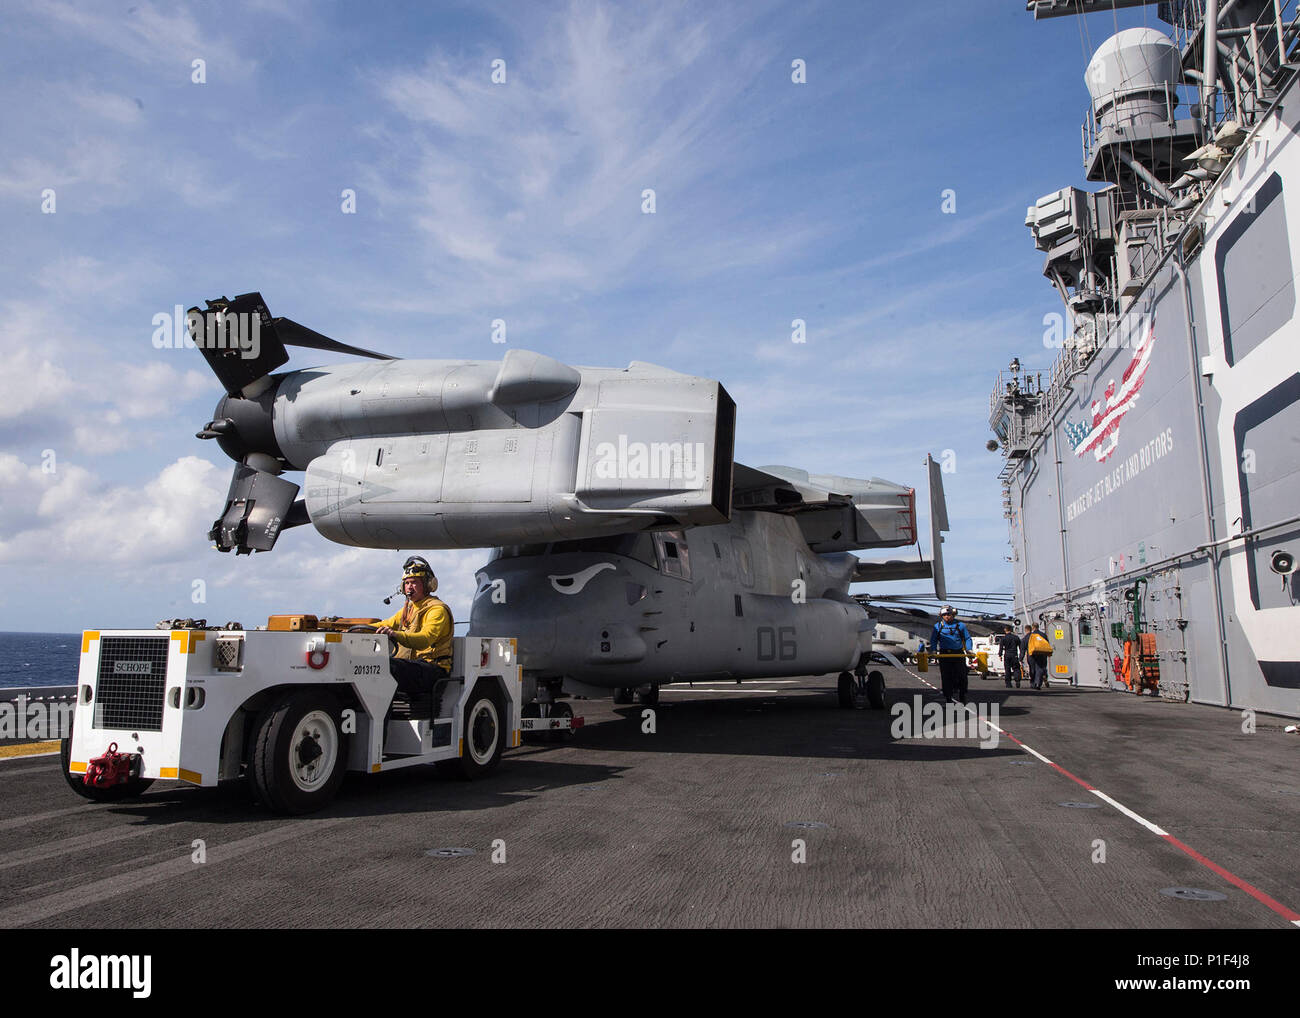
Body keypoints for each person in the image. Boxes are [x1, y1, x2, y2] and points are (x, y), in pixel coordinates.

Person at [375, 556, 454, 700]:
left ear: (428, 585)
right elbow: (383, 624)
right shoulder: (408, 609)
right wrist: (352, 628)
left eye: (414, 583)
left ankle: (378, 723)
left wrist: (395, 634)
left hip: (433, 669)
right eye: (406, 583)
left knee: (387, 667)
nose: (409, 587)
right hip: (414, 667)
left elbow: (425, 639)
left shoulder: (436, 609)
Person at [929, 605, 974, 703]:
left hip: (958, 654)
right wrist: (933, 650)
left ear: (953, 615)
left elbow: (967, 638)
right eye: (944, 615)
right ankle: (948, 697)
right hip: (944, 654)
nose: (947, 617)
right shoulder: (938, 626)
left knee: (962, 675)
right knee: (946, 676)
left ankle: (962, 695)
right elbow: (933, 639)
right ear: (941, 616)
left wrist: (969, 650)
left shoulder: (960, 625)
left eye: (949, 614)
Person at [1026, 623, 1052, 690]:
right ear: (1038, 627)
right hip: (1042, 653)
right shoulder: (1043, 635)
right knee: (1040, 668)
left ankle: (1033, 683)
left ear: (1033, 627)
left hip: (1033, 654)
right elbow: (1047, 644)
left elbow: (1027, 644)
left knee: (1033, 669)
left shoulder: (1031, 635)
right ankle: (1038, 683)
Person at [996, 624, 1023, 689]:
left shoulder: (1004, 638)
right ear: (1011, 630)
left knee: (1007, 669)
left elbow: (1001, 647)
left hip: (1007, 655)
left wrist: (1000, 655)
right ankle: (1017, 680)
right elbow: (1020, 647)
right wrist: (1021, 656)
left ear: (1005, 630)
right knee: (1016, 668)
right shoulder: (1016, 637)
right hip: (1014, 655)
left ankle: (1008, 684)